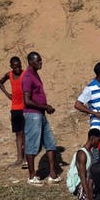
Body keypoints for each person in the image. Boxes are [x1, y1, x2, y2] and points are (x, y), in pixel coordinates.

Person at [21, 51, 59, 184]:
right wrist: (45, 107)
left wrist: (45, 108)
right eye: (38, 60)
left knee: (50, 143)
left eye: (41, 60)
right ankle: (32, 176)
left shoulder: (35, 75)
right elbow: (27, 100)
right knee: (32, 145)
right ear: (31, 61)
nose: (41, 63)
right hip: (33, 115)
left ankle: (53, 173)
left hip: (40, 114)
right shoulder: (27, 77)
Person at [0, 55, 27, 167]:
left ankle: (25, 158)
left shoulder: (25, 74)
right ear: (11, 67)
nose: (17, 68)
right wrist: (7, 94)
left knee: (24, 133)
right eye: (15, 67)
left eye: (19, 66)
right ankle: (19, 158)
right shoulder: (9, 75)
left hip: (24, 108)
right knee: (18, 134)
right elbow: (0, 83)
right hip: (15, 108)